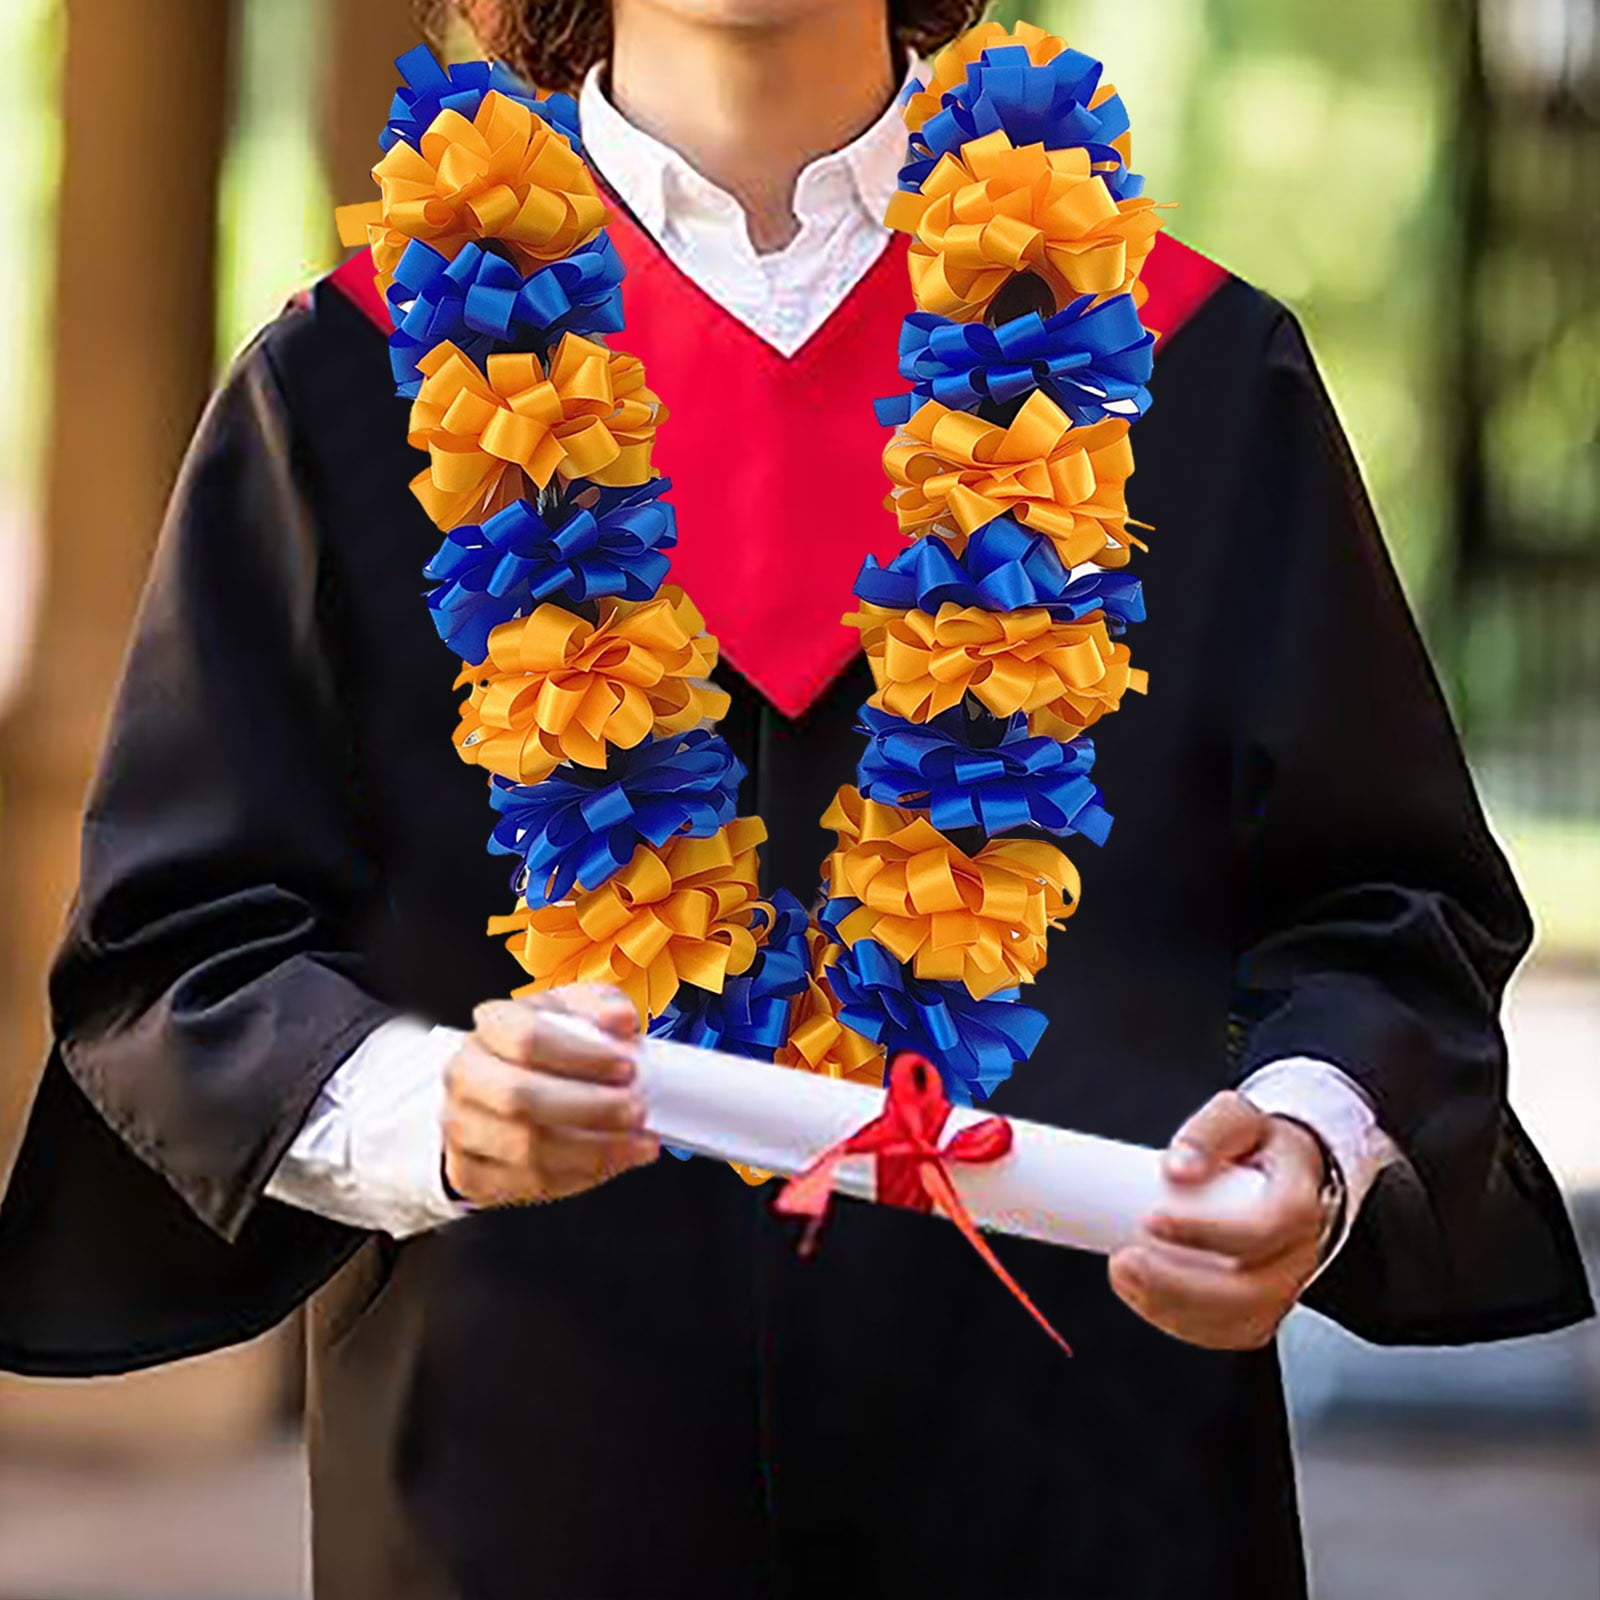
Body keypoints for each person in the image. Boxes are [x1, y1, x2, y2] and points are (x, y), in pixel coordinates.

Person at [0, 1, 1590, 1596]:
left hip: (1093, 1495)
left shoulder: (1180, 373)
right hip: (527, 1501)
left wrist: (1309, 1147)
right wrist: (430, 1110)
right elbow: (177, 953)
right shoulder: (353, 384)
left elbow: (1387, 909)